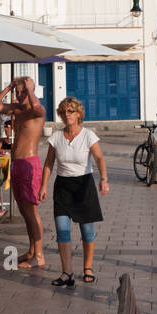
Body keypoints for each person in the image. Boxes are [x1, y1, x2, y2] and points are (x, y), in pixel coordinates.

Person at [39, 96, 108, 287]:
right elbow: (49, 163)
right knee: (62, 231)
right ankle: (67, 273)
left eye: (71, 111)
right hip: (62, 187)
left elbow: (99, 158)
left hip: (83, 186)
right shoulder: (56, 137)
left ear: (78, 114)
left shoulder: (88, 135)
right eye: (64, 111)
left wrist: (103, 179)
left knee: (87, 231)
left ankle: (88, 268)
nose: (67, 114)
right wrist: (43, 185)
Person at [0, 75, 46, 269]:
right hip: (16, 164)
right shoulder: (17, 109)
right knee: (23, 209)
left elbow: (37, 107)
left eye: (23, 91)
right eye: (18, 92)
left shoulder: (36, 111)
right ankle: (31, 250)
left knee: (31, 211)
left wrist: (30, 90)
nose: (20, 95)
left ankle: (39, 255)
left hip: (29, 164)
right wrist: (8, 87)